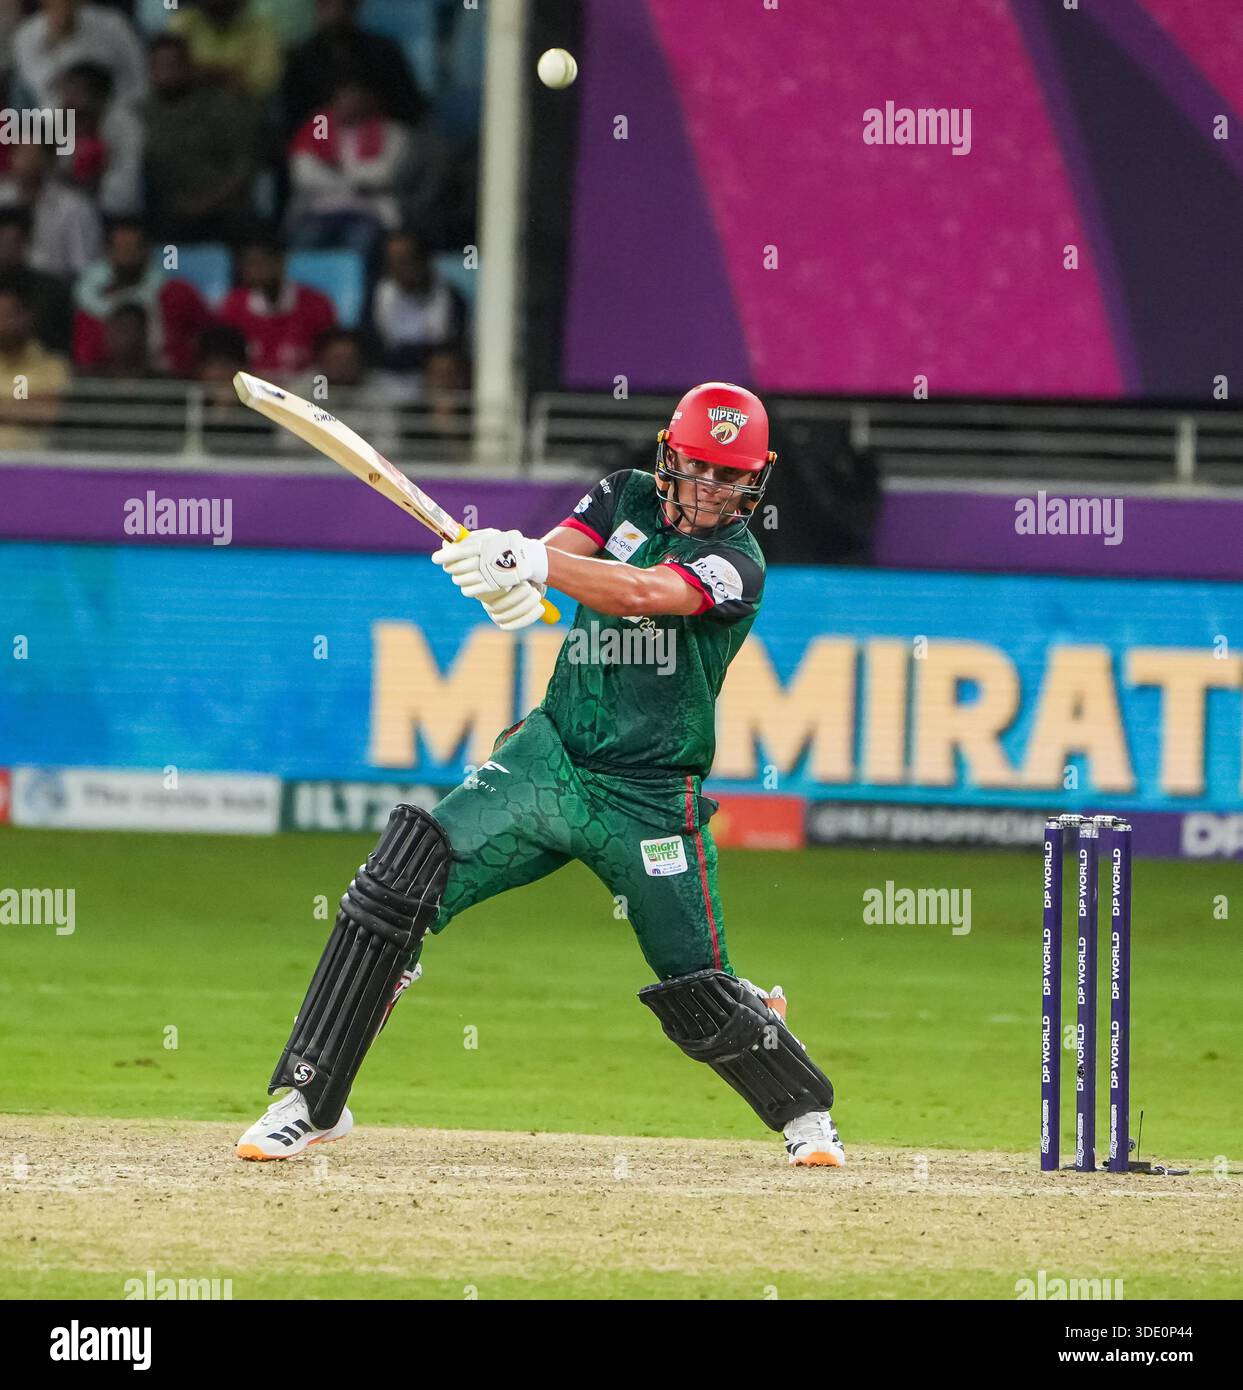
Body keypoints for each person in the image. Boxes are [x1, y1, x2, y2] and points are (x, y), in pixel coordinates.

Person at [234, 383, 846, 1170]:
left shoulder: (738, 564)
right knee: (397, 886)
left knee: (694, 983)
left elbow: (639, 592)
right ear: (667, 453)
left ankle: (804, 1112)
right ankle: (308, 1101)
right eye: (695, 468)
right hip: (547, 759)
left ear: (755, 479)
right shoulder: (623, 494)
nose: (707, 490)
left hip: (651, 795)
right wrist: (508, 577)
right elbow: (566, 550)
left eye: (728, 478)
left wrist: (531, 560)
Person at [142, 32, 259, 246]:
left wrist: (206, 203)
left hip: (221, 208)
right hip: (165, 213)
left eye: (172, 64)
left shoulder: (220, 107)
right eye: (158, 65)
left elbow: (243, 164)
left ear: (188, 66)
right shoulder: (140, 115)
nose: (165, 72)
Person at [73, 219, 213, 377]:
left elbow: (207, 336)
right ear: (108, 252)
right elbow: (84, 359)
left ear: (147, 250)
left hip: (172, 382)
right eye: (120, 249)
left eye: (132, 249)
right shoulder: (91, 302)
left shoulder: (179, 294)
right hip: (109, 384)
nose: (126, 256)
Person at [283, 0, 423, 134]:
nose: (336, 10)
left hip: (375, 137)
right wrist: (332, 112)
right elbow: (292, 118)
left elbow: (412, 108)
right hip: (321, 136)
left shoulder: (384, 52)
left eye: (345, 3)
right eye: (327, 2)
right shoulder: (301, 58)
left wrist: (370, 104)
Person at [218, 228, 336, 376]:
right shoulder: (233, 306)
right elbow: (225, 361)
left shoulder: (317, 304)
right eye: (248, 264)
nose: (254, 271)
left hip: (303, 390)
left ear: (280, 262)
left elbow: (327, 359)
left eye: (260, 262)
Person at [369, 229, 466, 402]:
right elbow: (373, 348)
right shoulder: (378, 295)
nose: (398, 269)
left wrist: (407, 353)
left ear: (423, 260)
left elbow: (454, 348)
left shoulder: (450, 298)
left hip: (436, 382)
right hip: (388, 379)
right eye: (392, 262)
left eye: (404, 261)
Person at [12, 0, 147, 109]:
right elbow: (43, 87)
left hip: (114, 110)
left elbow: (138, 80)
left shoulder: (113, 24)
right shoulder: (26, 34)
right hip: (57, 115)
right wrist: (58, 39)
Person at [56, 60, 143, 217]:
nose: (68, 99)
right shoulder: (61, 120)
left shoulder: (124, 125)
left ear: (100, 97)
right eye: (66, 91)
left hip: (115, 212)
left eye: (77, 91)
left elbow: (128, 186)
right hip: (69, 210)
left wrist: (92, 185)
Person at [0, 142, 102, 276]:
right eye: (15, 152)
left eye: (26, 152)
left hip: (54, 285)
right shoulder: (4, 197)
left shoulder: (74, 206)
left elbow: (84, 267)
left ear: (45, 158)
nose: (16, 159)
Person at [0, 278, 70, 449]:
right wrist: (21, 408)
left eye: (10, 315)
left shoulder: (53, 365)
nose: (3, 323)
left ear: (28, 316)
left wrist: (20, 409)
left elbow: (49, 413)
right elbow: (27, 408)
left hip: (31, 468)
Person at [0, 206, 73, 352]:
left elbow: (60, 344)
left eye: (14, 240)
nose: (7, 247)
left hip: (40, 366)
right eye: (2, 239)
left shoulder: (52, 291)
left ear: (26, 242)